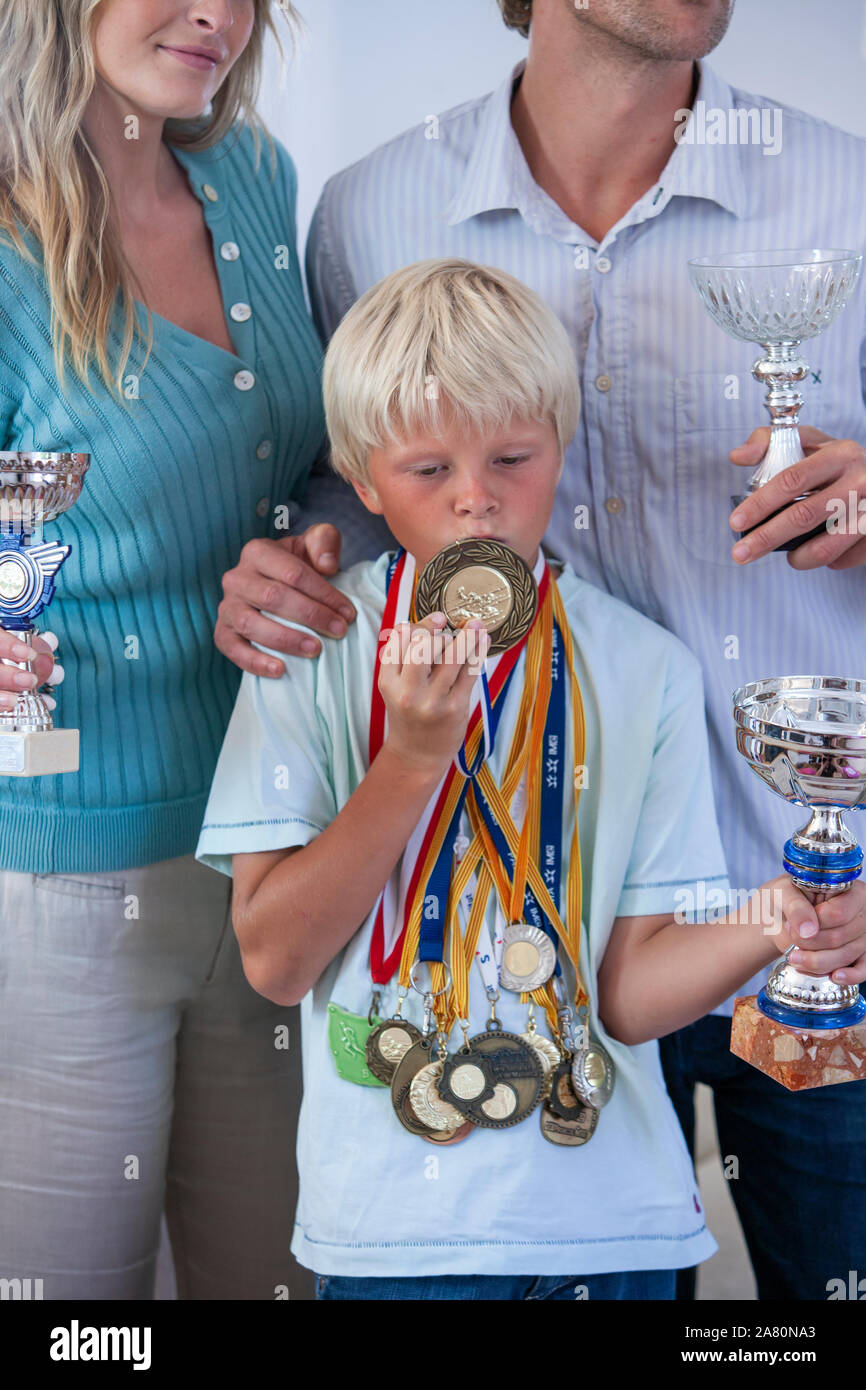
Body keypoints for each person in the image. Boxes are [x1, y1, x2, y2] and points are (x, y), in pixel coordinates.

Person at [215, 0, 866, 1298]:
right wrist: (281, 571)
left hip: (797, 900)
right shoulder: (368, 208)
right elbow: (344, 496)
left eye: (515, 456)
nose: (481, 490)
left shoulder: (847, 192)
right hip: (508, 944)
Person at [0, 0, 326, 1299]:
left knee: (281, 1280)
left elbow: (316, 460)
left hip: (278, 852)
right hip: (59, 882)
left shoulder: (252, 176)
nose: (219, 14)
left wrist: (307, 538)